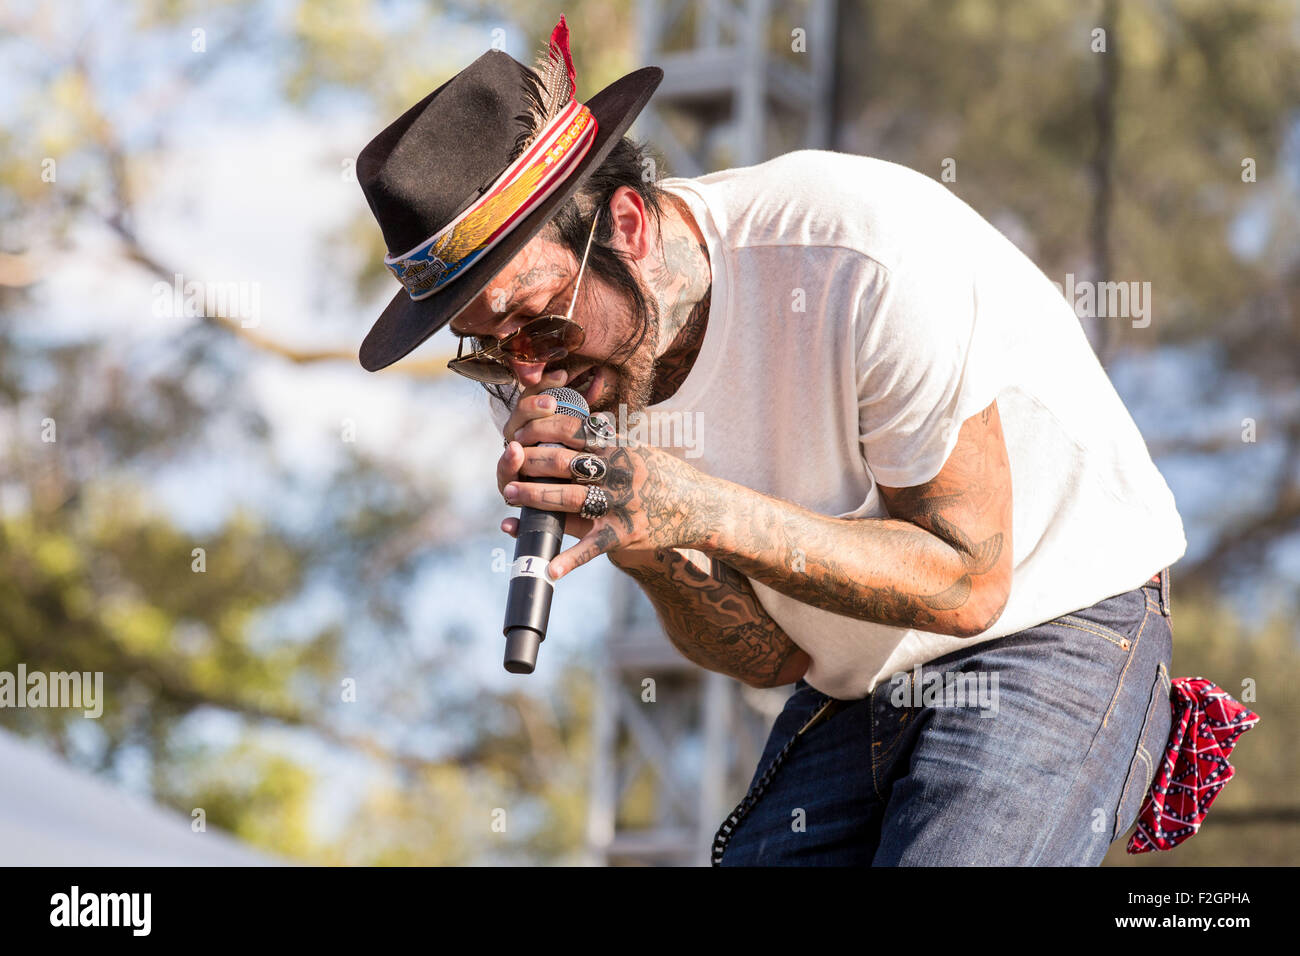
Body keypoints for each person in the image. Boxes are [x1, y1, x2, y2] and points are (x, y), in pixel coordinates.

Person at [355, 19, 1186, 866]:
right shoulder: (557, 379)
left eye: (538, 323)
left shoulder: (856, 253)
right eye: (489, 351)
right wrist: (641, 541)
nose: (529, 372)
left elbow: (971, 582)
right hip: (853, 686)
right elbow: (771, 656)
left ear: (628, 226)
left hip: (1052, 625)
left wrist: (697, 508)